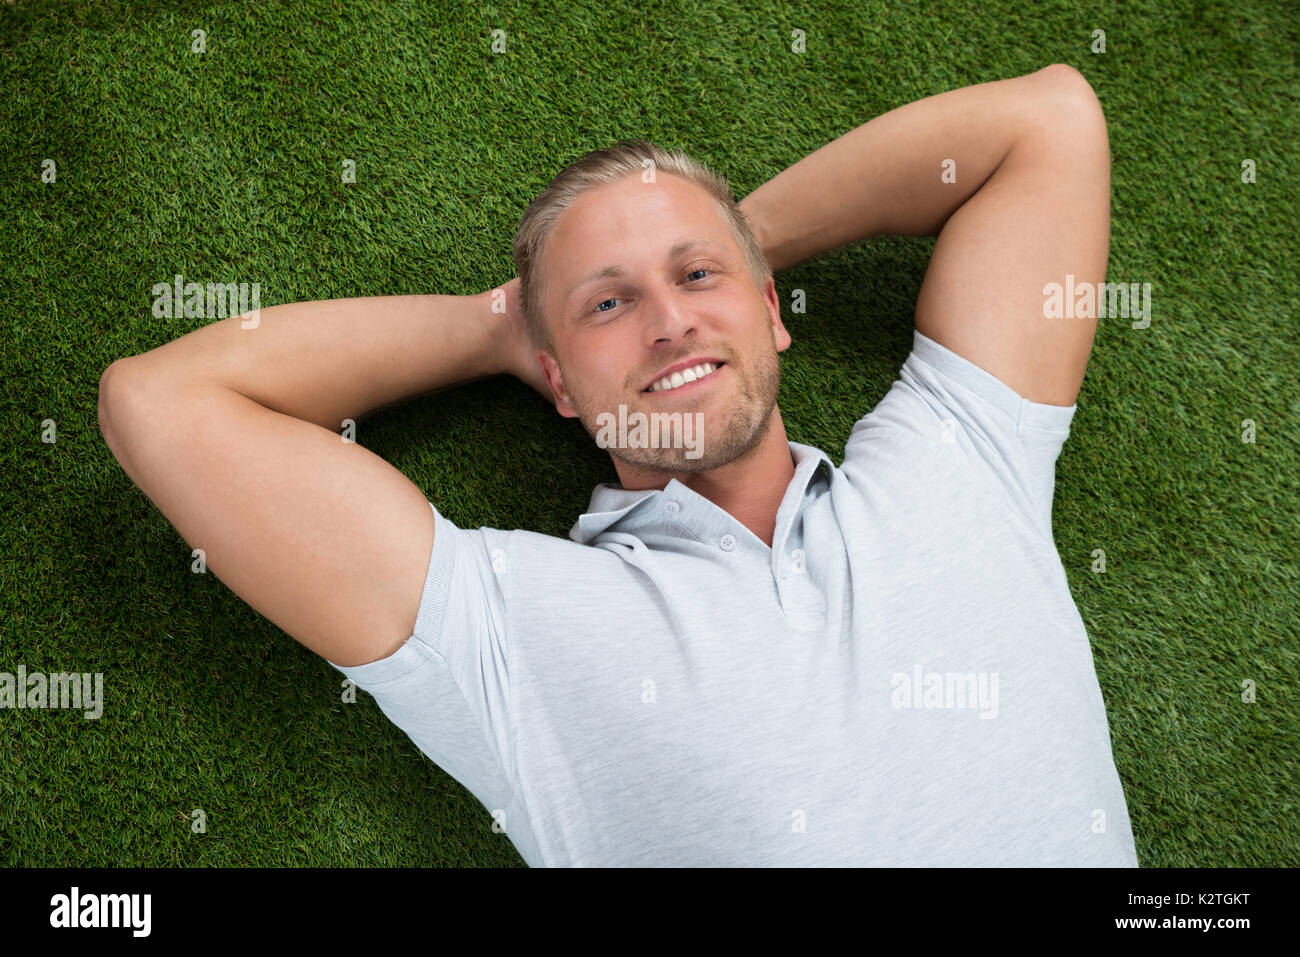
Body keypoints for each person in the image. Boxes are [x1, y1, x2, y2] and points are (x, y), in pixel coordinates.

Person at [98, 63, 1137, 866]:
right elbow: (161, 402)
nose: (671, 321)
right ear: (555, 381)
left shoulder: (957, 458)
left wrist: (735, 239)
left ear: (772, 311)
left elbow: (1046, 124)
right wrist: (496, 327)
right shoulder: (509, 627)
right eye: (608, 303)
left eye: (697, 279)